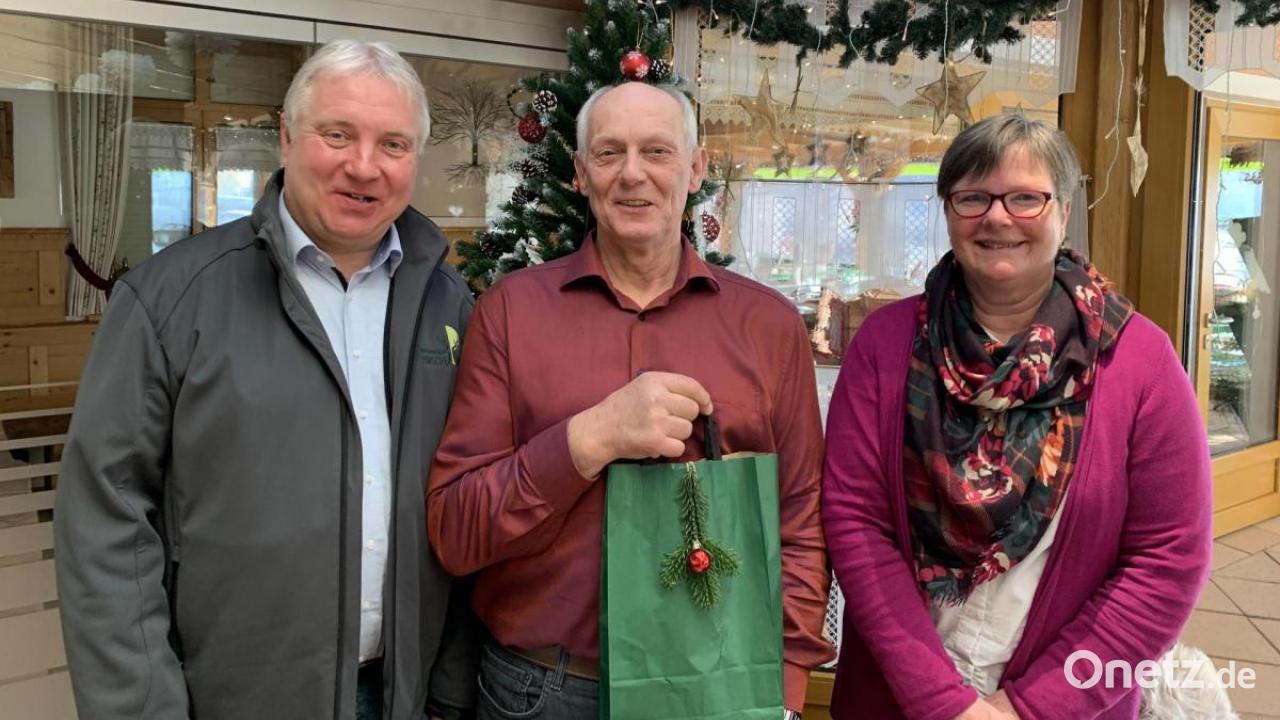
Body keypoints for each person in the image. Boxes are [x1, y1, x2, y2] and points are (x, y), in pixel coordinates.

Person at [54, 39, 478, 720]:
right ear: (286, 136)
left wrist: (448, 693)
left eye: (392, 144)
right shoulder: (171, 299)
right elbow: (105, 524)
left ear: (414, 161)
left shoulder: (449, 306)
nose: (363, 166)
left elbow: (461, 514)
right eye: (337, 134)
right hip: (224, 699)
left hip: (399, 695)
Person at [427, 81, 833, 719]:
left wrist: (783, 685)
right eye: (610, 153)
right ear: (583, 174)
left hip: (721, 682)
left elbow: (801, 517)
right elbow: (455, 531)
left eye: (658, 151)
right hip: (543, 689)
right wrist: (588, 442)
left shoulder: (769, 327)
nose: (633, 174)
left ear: (695, 169)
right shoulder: (511, 312)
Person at [821, 114, 1213, 719]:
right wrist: (942, 702)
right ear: (948, 211)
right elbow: (855, 525)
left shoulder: (1139, 359)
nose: (998, 217)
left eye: (1025, 197)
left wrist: (1030, 709)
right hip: (898, 699)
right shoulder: (884, 343)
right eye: (973, 197)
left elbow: (1167, 560)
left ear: (1063, 211)